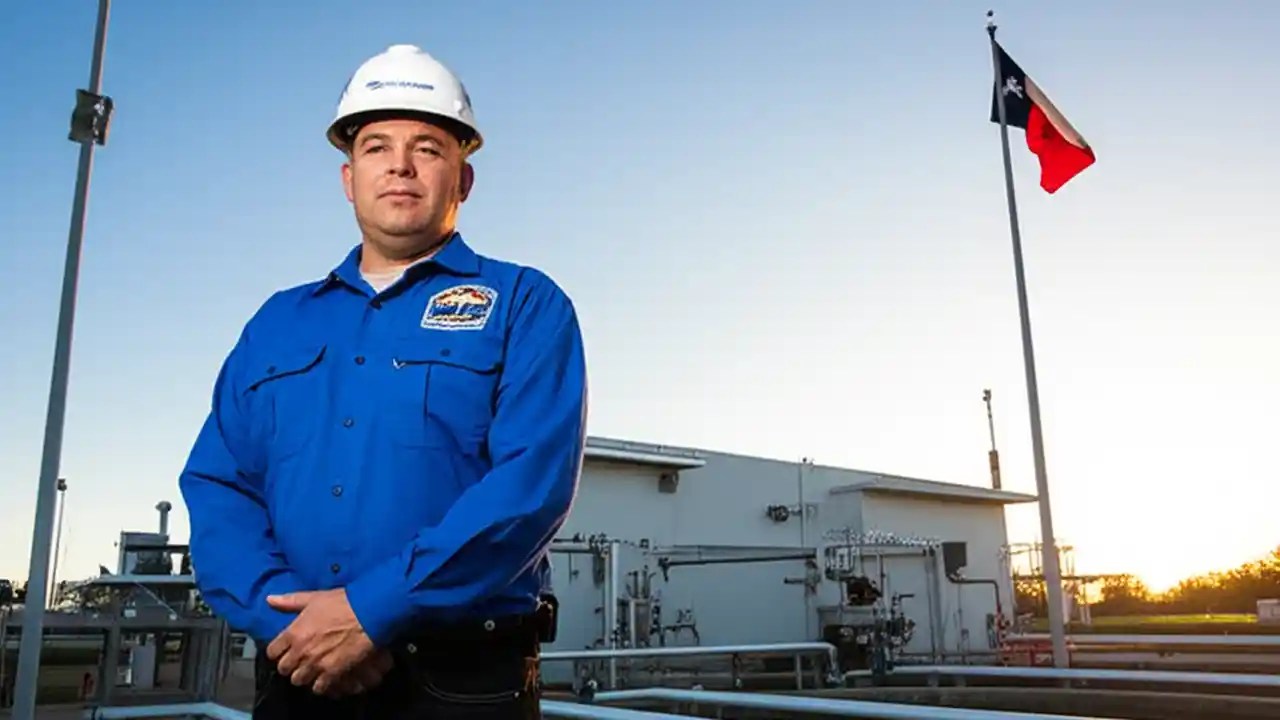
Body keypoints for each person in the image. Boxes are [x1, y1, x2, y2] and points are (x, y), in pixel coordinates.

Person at [178, 43, 588, 720]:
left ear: (464, 179)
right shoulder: (277, 323)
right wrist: (288, 622)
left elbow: (528, 489)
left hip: (462, 683)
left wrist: (370, 612)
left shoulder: (525, 304)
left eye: (427, 147)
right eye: (376, 146)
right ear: (348, 177)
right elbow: (219, 485)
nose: (399, 165)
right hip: (298, 671)